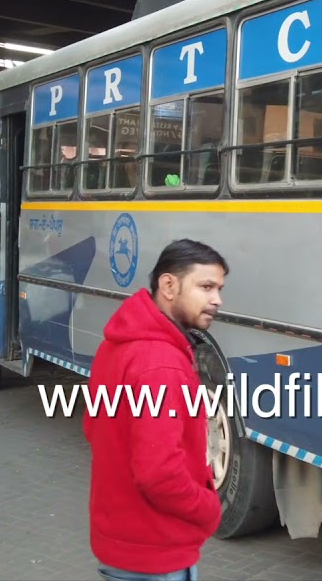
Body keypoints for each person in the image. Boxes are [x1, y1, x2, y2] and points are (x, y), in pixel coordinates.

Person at [83, 239, 229, 581]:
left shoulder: (118, 345)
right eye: (206, 286)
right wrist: (209, 509)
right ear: (168, 285)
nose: (217, 300)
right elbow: (159, 474)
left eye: (220, 288)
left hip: (121, 542)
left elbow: (93, 427)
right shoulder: (161, 364)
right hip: (154, 556)